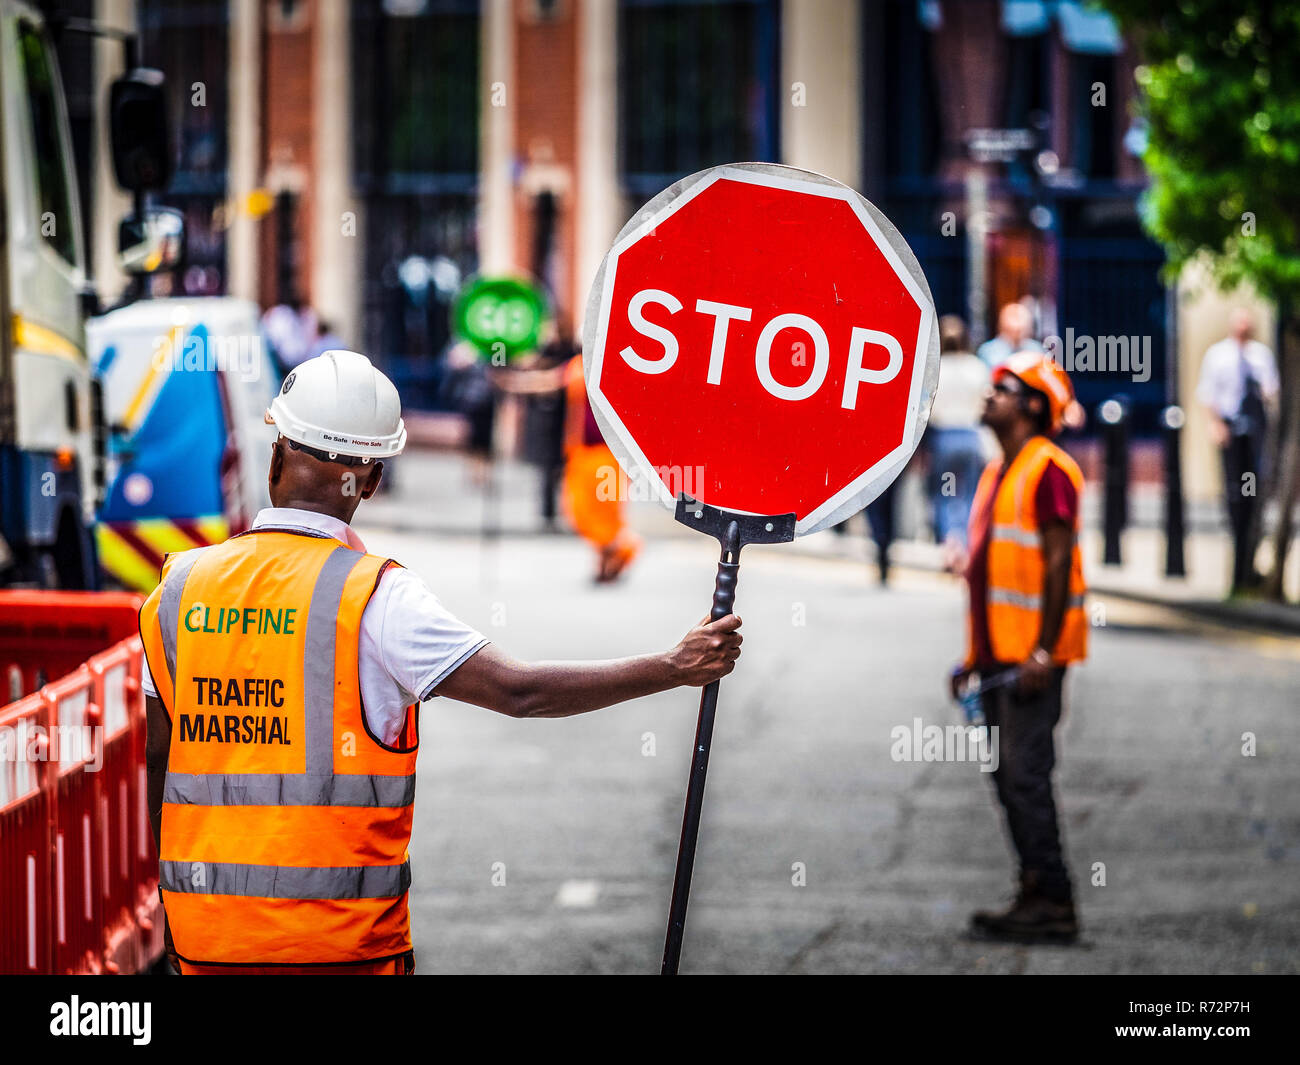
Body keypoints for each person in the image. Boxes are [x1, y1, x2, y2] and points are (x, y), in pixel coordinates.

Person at [137, 349, 740, 974]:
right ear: (371, 483)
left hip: (204, 940)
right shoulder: (375, 598)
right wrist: (673, 666)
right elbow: (519, 691)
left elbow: (161, 758)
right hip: (339, 949)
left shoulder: (178, 590)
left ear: (275, 456)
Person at [950, 350, 1088, 944]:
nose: (989, 393)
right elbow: (990, 573)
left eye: (1002, 387)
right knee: (1008, 775)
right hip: (1000, 658)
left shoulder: (1048, 469)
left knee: (1026, 775)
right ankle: (1034, 891)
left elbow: (1058, 562)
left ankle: (1054, 900)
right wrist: (974, 659)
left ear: (1032, 406)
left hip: (1033, 659)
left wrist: (1042, 650)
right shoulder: (997, 471)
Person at [1196, 308, 1280, 593]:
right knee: (1235, 496)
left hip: (1254, 436)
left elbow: (1272, 392)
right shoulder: (1218, 356)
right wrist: (1217, 425)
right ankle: (1239, 561)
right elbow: (1208, 394)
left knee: (1251, 492)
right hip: (1232, 435)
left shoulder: (1261, 356)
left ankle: (1248, 560)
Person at [561, 353, 641, 581]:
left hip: (609, 453)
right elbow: (553, 382)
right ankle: (621, 550)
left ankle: (608, 563)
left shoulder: (618, 367)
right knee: (579, 509)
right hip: (583, 450)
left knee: (606, 512)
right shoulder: (578, 364)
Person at [927, 316, 991, 559]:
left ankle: (951, 540)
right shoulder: (977, 367)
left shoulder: (936, 367)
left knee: (947, 491)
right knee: (970, 492)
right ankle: (966, 541)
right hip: (971, 437)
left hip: (945, 440)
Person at [976, 301, 1042, 369]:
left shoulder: (1035, 348)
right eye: (1014, 319)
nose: (1018, 326)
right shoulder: (988, 350)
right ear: (1002, 326)